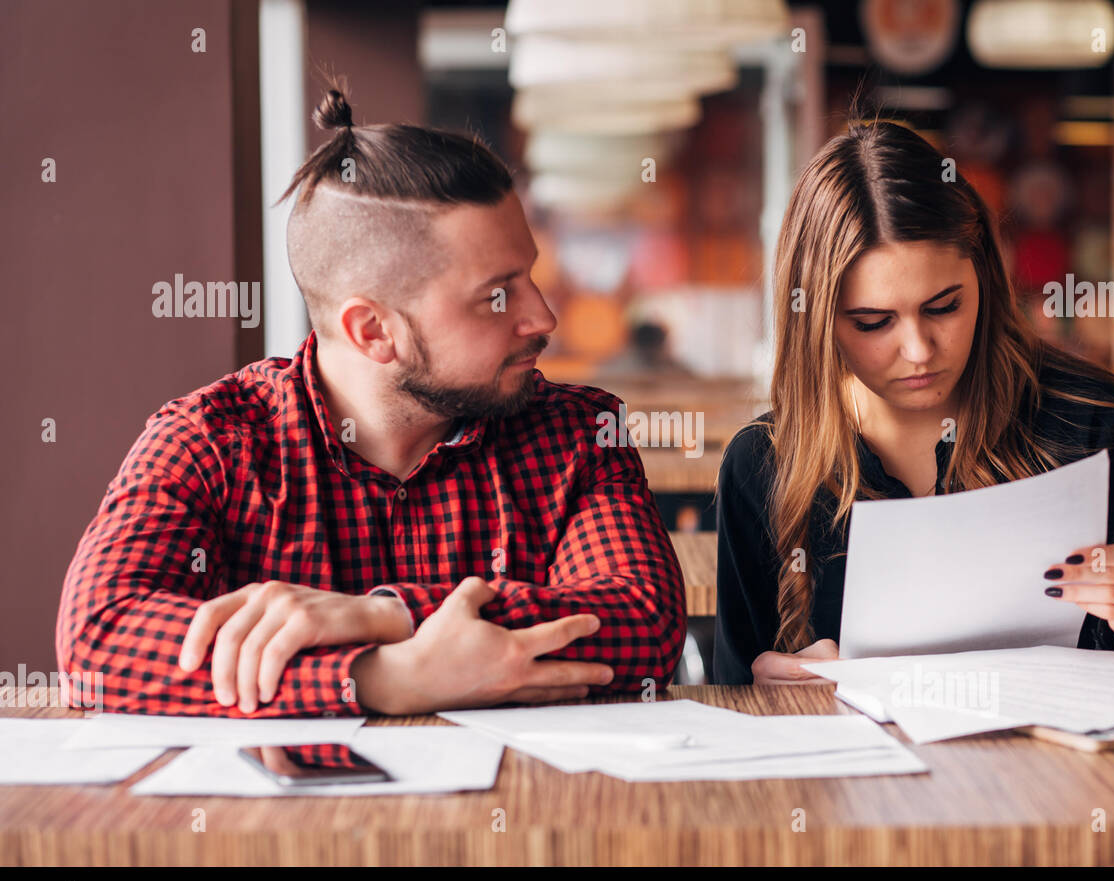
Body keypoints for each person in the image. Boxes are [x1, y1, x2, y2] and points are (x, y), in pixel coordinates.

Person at [57, 86, 686, 716]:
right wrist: (384, 679)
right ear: (373, 331)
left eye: (531, 276)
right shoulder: (209, 442)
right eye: (498, 295)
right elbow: (100, 640)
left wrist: (384, 616)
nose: (542, 317)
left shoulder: (575, 430)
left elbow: (645, 622)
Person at [714, 118, 1114, 685]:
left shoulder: (1094, 421)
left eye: (945, 307)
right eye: (874, 322)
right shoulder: (761, 463)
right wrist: (772, 690)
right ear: (816, 323)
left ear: (984, 279)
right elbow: (732, 694)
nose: (919, 350)